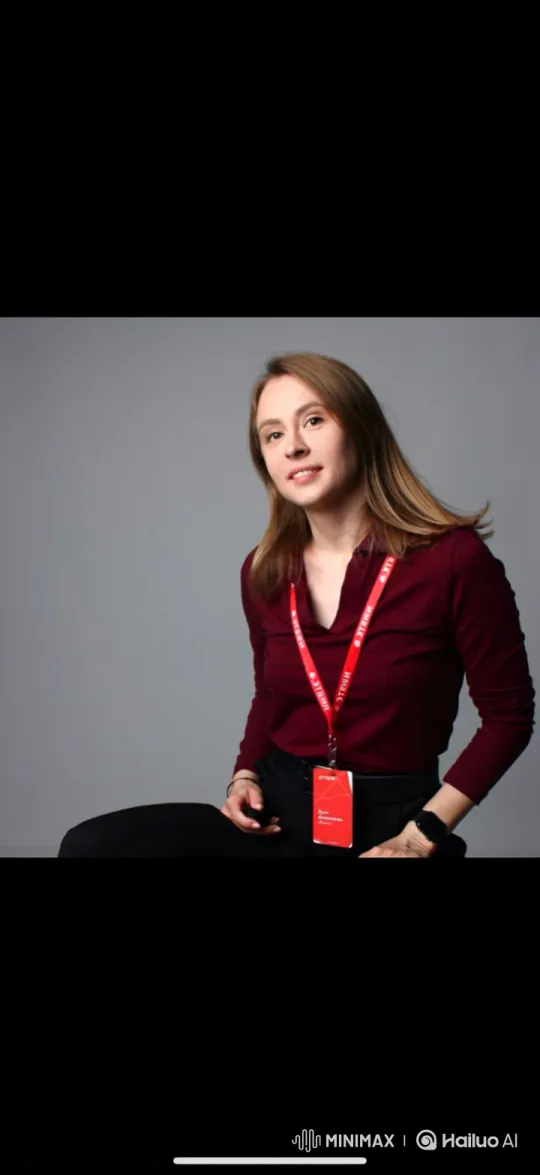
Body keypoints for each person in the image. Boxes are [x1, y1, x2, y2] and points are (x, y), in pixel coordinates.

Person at [58, 352, 535, 858]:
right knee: (93, 846)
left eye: (313, 420)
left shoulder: (454, 561)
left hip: (397, 831)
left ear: (361, 429)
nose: (295, 447)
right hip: (276, 820)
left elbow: (509, 719)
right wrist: (244, 773)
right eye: (273, 434)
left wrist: (420, 839)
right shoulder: (264, 570)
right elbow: (270, 694)